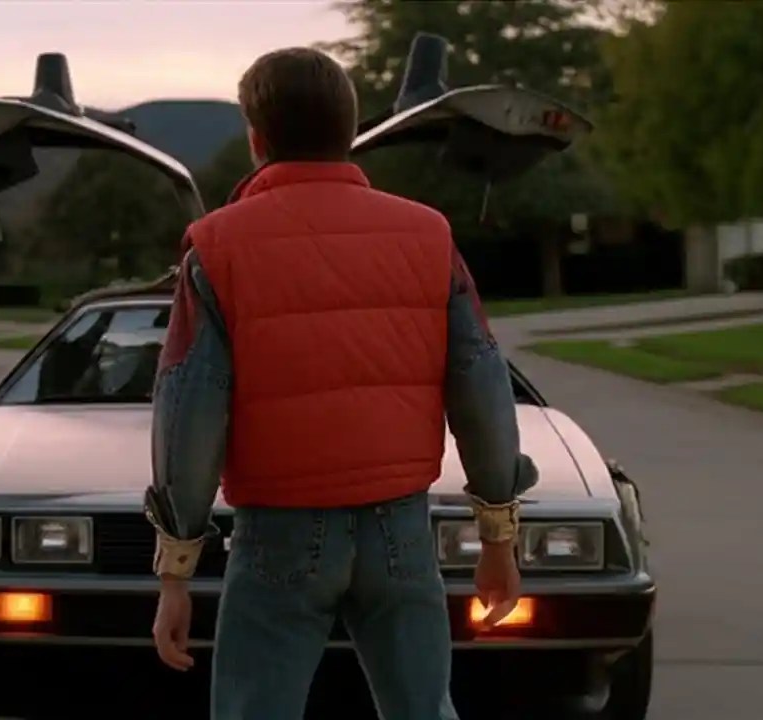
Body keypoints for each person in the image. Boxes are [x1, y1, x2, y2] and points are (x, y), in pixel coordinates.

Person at [143, 46, 539, 720]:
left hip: (279, 537)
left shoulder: (216, 246)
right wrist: (498, 537)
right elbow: (482, 386)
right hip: (401, 532)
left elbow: (189, 412)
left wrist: (176, 571)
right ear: (349, 131)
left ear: (256, 136)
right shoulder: (429, 234)